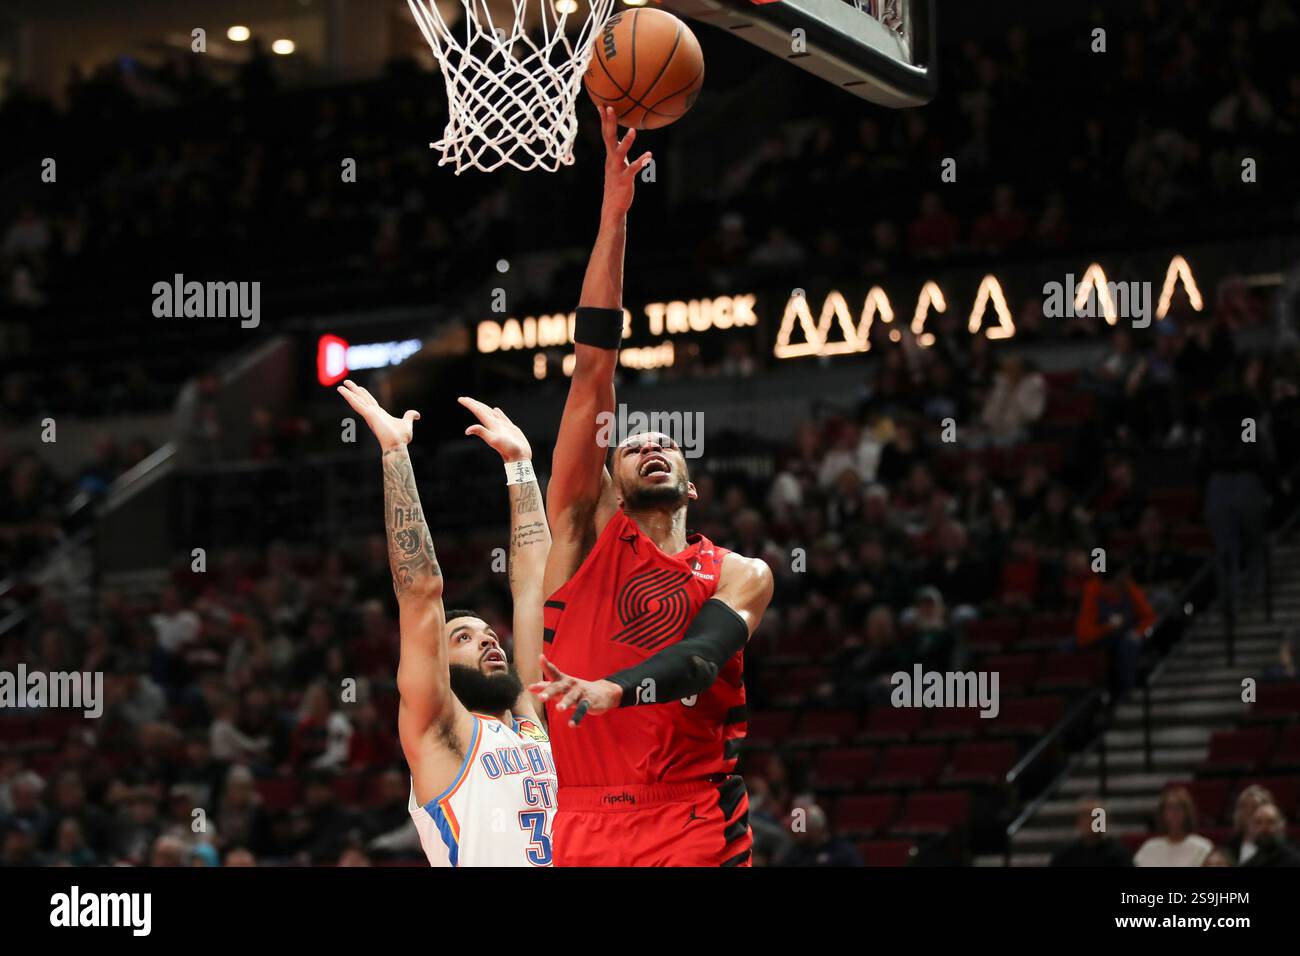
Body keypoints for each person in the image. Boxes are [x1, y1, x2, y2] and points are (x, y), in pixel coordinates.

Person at [526, 107, 774, 867]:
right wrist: (613, 217)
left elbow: (701, 659)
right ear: (612, 478)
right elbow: (594, 365)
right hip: (583, 819)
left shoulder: (739, 574)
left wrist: (616, 690)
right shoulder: (582, 529)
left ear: (693, 485)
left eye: (666, 442)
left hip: (692, 815)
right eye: (632, 444)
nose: (650, 446)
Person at [338, 381, 555, 867]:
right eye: (464, 637)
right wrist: (395, 453)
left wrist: (519, 465)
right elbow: (420, 592)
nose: (488, 642)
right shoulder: (440, 730)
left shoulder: (530, 721)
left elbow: (534, 588)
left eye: (489, 636)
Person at [1076, 562, 1156, 700]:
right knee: (1066, 648)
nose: (1128, 578)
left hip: (1125, 635)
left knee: (1127, 646)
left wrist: (1138, 632)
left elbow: (1148, 616)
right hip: (1100, 636)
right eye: (1124, 575)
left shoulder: (1129, 587)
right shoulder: (1092, 590)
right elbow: (1084, 634)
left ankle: (1127, 694)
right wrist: (1108, 627)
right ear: (1115, 578)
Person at [1133, 786, 1214, 867]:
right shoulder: (1149, 848)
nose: (1174, 813)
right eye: (1169, 808)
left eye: (1178, 808)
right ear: (1162, 813)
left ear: (1187, 812)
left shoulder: (1202, 847)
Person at [1049, 797, 1133, 867]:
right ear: (1078, 821)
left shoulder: (1119, 855)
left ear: (1106, 821)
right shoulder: (1065, 854)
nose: (1090, 821)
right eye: (1085, 815)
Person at [1238, 802, 1300, 867]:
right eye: (1258, 822)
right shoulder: (1255, 860)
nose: (1263, 828)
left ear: (1281, 827)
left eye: (1270, 822)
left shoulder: (1294, 859)